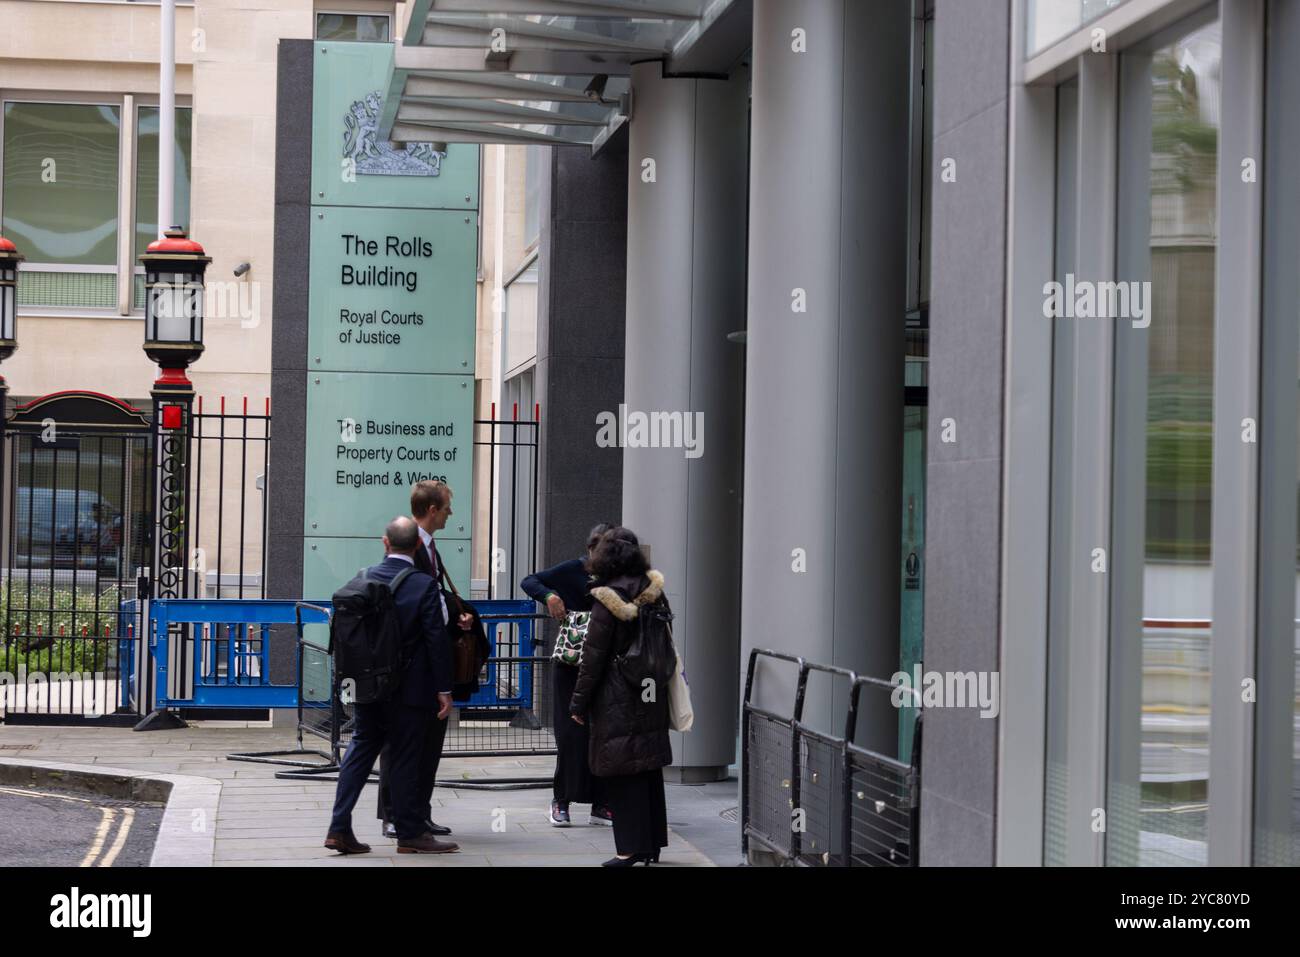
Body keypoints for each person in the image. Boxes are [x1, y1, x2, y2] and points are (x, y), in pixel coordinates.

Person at [324, 516, 458, 855]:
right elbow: (436, 637)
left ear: (385, 543)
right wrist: (444, 688)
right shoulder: (423, 585)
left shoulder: (362, 577)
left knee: (360, 749)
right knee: (404, 757)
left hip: (367, 686)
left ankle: (339, 827)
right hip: (409, 689)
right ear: (416, 546)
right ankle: (410, 834)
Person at [568, 527, 672, 866]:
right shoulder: (654, 592)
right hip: (651, 689)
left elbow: (593, 658)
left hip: (617, 696)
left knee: (622, 770)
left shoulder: (607, 599)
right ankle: (651, 845)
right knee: (647, 767)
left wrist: (578, 703)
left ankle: (627, 849)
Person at [377, 480, 473, 840]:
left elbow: (431, 595)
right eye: (447, 506)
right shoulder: (409, 544)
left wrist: (456, 613)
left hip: (431, 659)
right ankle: (392, 814)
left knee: (430, 742)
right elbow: (407, 596)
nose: (451, 512)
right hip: (412, 663)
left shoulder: (430, 547)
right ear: (432, 510)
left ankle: (419, 811)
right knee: (401, 742)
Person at [521, 523, 614, 827]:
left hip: (604, 665)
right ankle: (561, 800)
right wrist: (549, 596)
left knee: (601, 733)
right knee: (570, 734)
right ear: (589, 549)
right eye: (598, 552)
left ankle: (600, 803)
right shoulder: (573, 570)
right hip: (572, 664)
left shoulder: (616, 576)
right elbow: (529, 580)